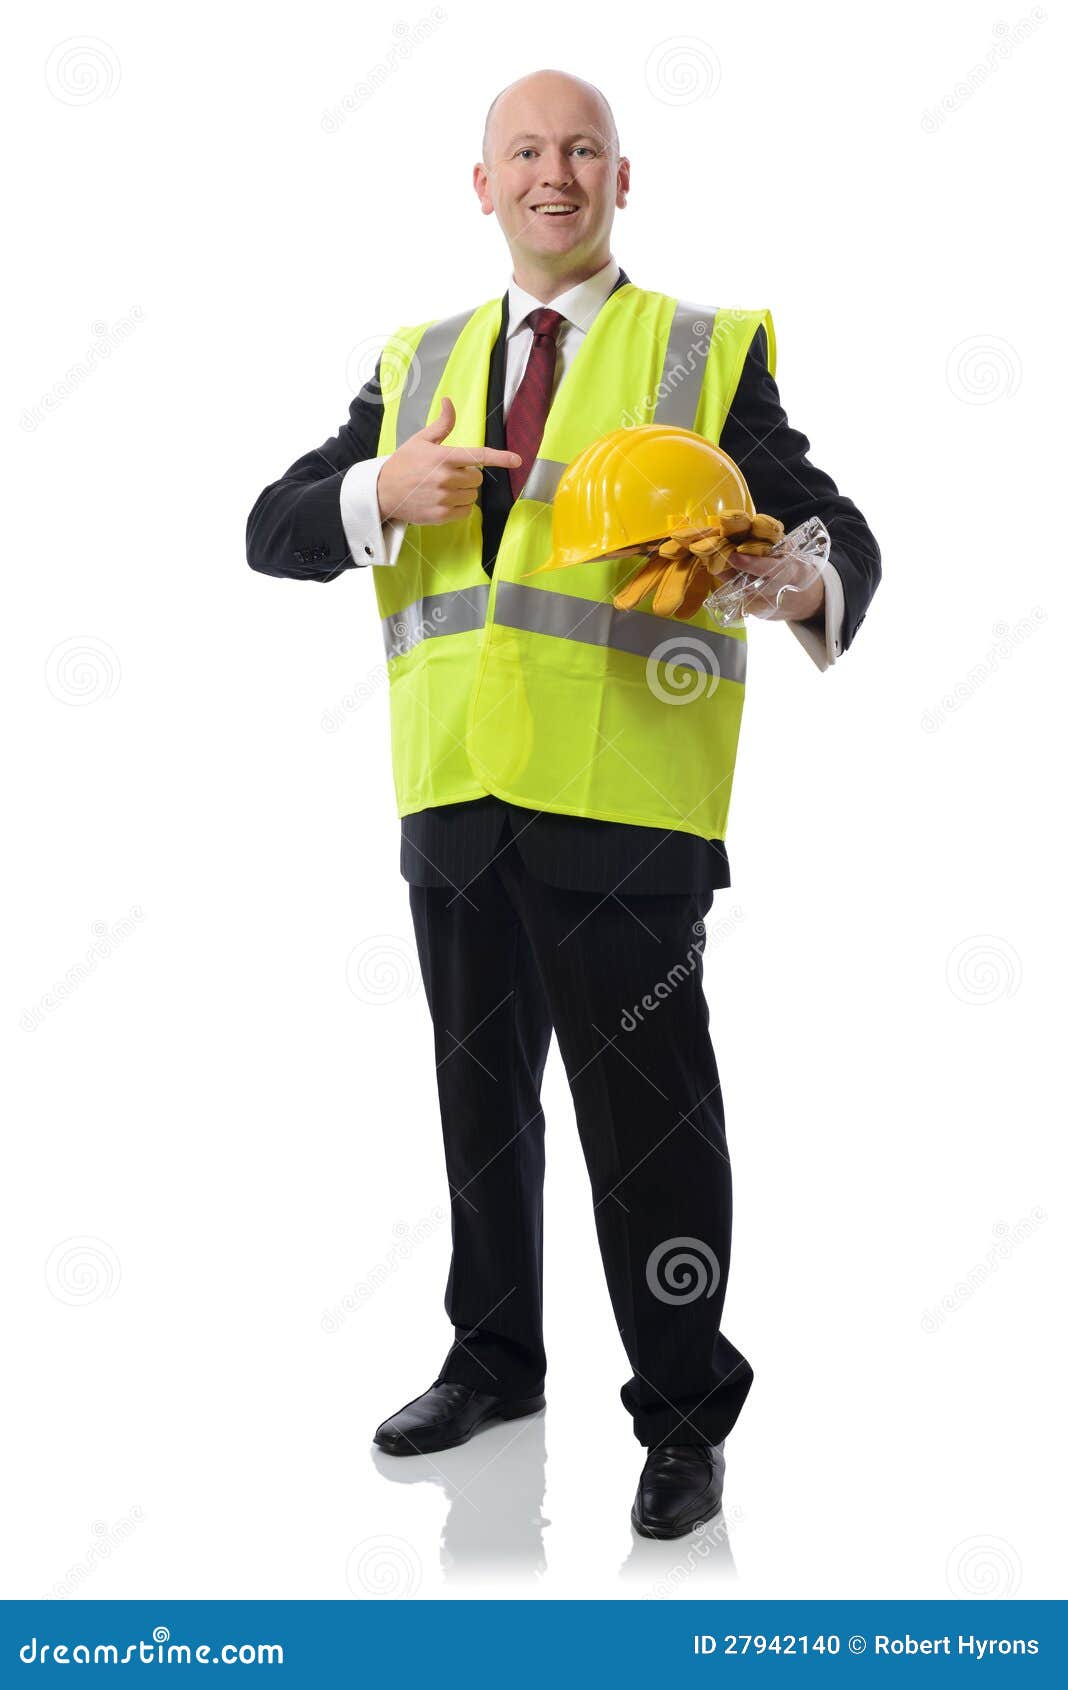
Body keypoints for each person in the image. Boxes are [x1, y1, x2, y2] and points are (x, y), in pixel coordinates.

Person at [246, 67, 881, 1540]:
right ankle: (493, 1363)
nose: (553, 173)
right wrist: (374, 494)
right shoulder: (417, 362)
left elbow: (828, 522)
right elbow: (273, 528)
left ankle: (681, 1414)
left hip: (626, 810)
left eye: (580, 150)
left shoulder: (699, 354)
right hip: (457, 799)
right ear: (483, 185)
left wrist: (799, 577)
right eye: (524, 151)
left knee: (653, 1128)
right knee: (482, 1115)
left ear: (619, 178)